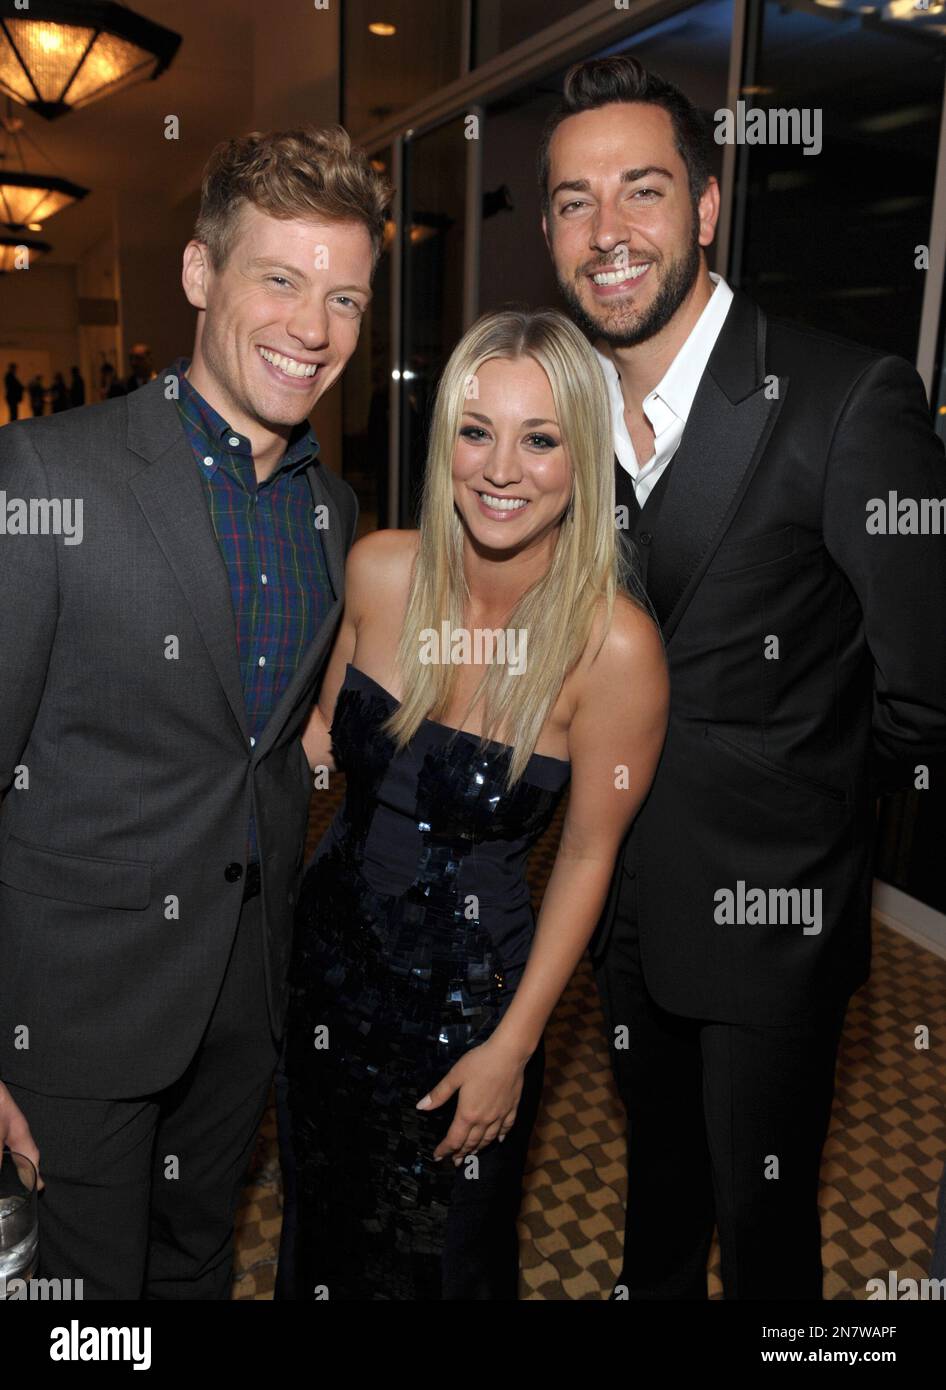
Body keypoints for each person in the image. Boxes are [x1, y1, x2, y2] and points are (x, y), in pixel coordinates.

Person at [539, 54, 946, 1300]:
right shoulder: (555, 409)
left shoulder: (846, 396)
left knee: (764, 1234)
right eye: (570, 202)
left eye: (641, 191)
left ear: (706, 209)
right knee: (653, 1201)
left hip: (771, 926)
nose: (606, 234)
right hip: (617, 916)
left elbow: (923, 691)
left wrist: (793, 810)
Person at [0, 124, 391, 1299]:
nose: (312, 329)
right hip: (71, 1015)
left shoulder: (333, 513)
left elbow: (265, 745)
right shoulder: (43, 477)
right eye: (279, 279)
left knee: (197, 1259)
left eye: (345, 299)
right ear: (199, 274)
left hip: (241, 997)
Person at [274, 307, 669, 1300]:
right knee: (322, 1227)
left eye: (540, 439)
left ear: (582, 457)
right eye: (476, 429)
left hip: (465, 1010)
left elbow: (586, 858)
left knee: (440, 1255)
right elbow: (323, 753)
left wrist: (513, 1046)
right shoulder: (377, 569)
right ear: (444, 434)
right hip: (323, 971)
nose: (501, 467)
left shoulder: (612, 648)